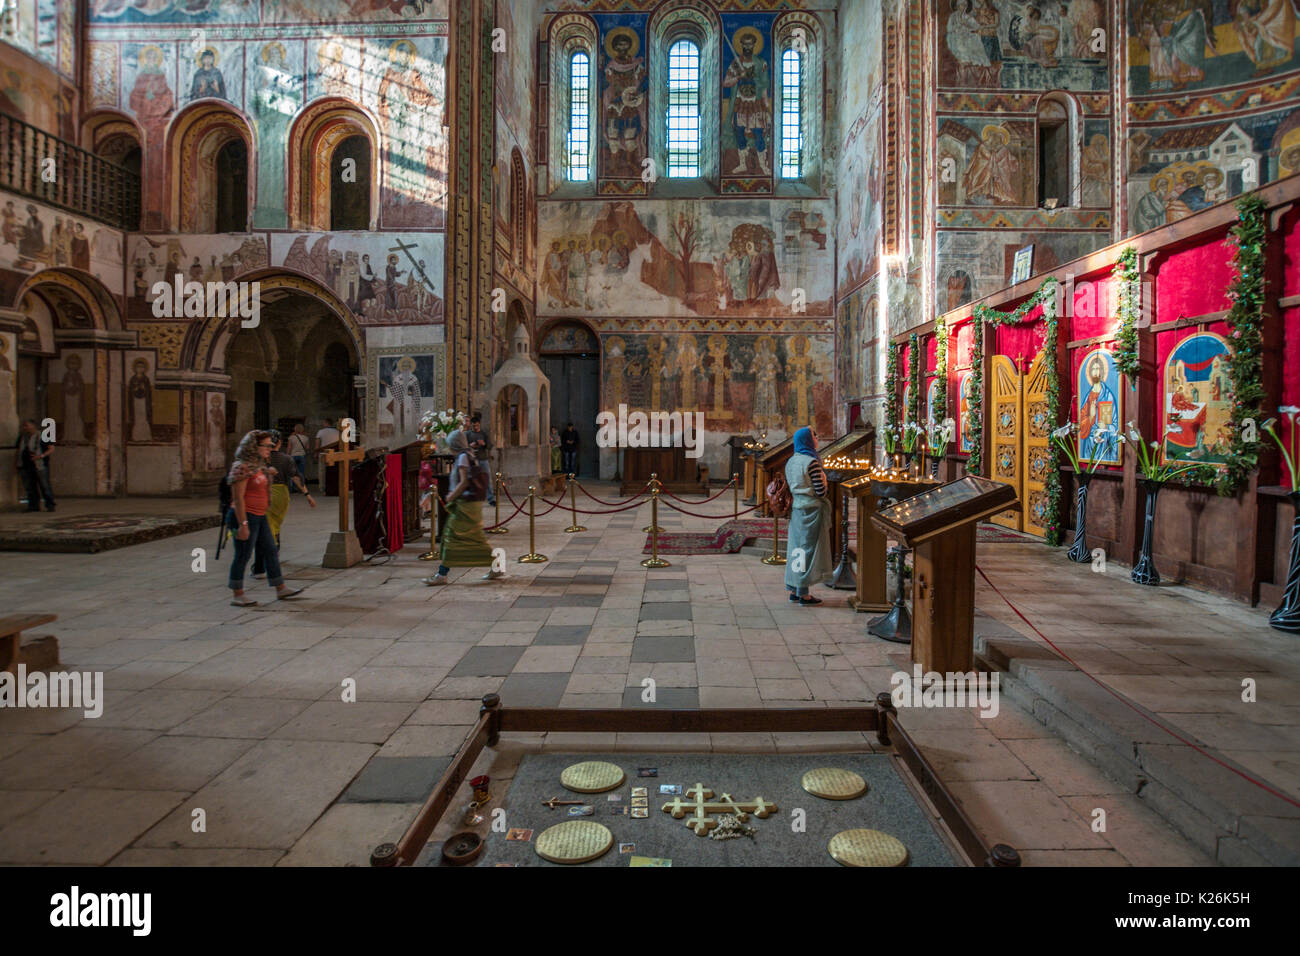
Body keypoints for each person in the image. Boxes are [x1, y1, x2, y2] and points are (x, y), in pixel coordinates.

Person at [227, 430, 304, 607]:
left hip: (260, 516)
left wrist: (267, 473)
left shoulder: (257, 466)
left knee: (270, 551)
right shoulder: (242, 467)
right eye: (267, 445)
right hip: (246, 516)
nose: (270, 448)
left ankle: (280, 587)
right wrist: (243, 524)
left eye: (271, 445)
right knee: (243, 555)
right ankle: (237, 594)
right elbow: (238, 499)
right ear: (254, 447)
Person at [422, 429, 504, 586]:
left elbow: (464, 481)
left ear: (454, 444)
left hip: (465, 504)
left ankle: (442, 574)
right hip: (471, 504)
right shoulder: (469, 454)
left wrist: (450, 496)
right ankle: (496, 566)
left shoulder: (462, 458)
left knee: (451, 536)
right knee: (474, 538)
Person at [252, 430, 316, 580]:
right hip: (281, 496)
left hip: (263, 494)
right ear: (280, 443)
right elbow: (295, 477)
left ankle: (260, 567)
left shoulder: (258, 459)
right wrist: (307, 495)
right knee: (274, 527)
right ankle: (273, 559)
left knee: (264, 529)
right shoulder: (285, 459)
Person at [783, 426, 831, 606]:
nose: (817, 438)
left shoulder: (791, 461)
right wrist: (825, 483)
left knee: (797, 548)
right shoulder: (811, 462)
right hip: (811, 510)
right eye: (814, 435)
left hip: (797, 508)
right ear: (807, 441)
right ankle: (804, 594)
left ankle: (794, 589)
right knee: (807, 550)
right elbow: (820, 491)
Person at [15, 419, 54, 512]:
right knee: (29, 486)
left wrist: (41, 456)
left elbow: (51, 448)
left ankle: (50, 504)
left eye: (27, 425)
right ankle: (33, 505)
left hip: (39, 464)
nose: (25, 428)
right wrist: (16, 463)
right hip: (25, 465)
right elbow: (18, 451)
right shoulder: (23, 437)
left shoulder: (43, 435)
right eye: (24, 426)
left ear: (33, 426)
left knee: (44, 485)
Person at [465, 412, 495, 505]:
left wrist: (484, 444)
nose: (475, 427)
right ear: (471, 425)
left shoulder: (484, 434)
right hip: (472, 460)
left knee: (487, 478)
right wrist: (470, 446)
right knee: (471, 479)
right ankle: (473, 497)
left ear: (479, 425)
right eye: (474, 426)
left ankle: (490, 498)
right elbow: (464, 446)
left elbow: (490, 446)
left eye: (477, 426)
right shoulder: (468, 434)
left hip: (483, 459)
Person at [315, 417, 342, 491]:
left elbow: (317, 443)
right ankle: (335, 487)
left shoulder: (321, 431)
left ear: (326, 423)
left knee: (322, 471)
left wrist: (316, 453)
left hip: (324, 453)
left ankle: (322, 487)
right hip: (335, 453)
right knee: (334, 471)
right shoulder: (337, 432)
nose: (322, 424)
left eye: (323, 422)